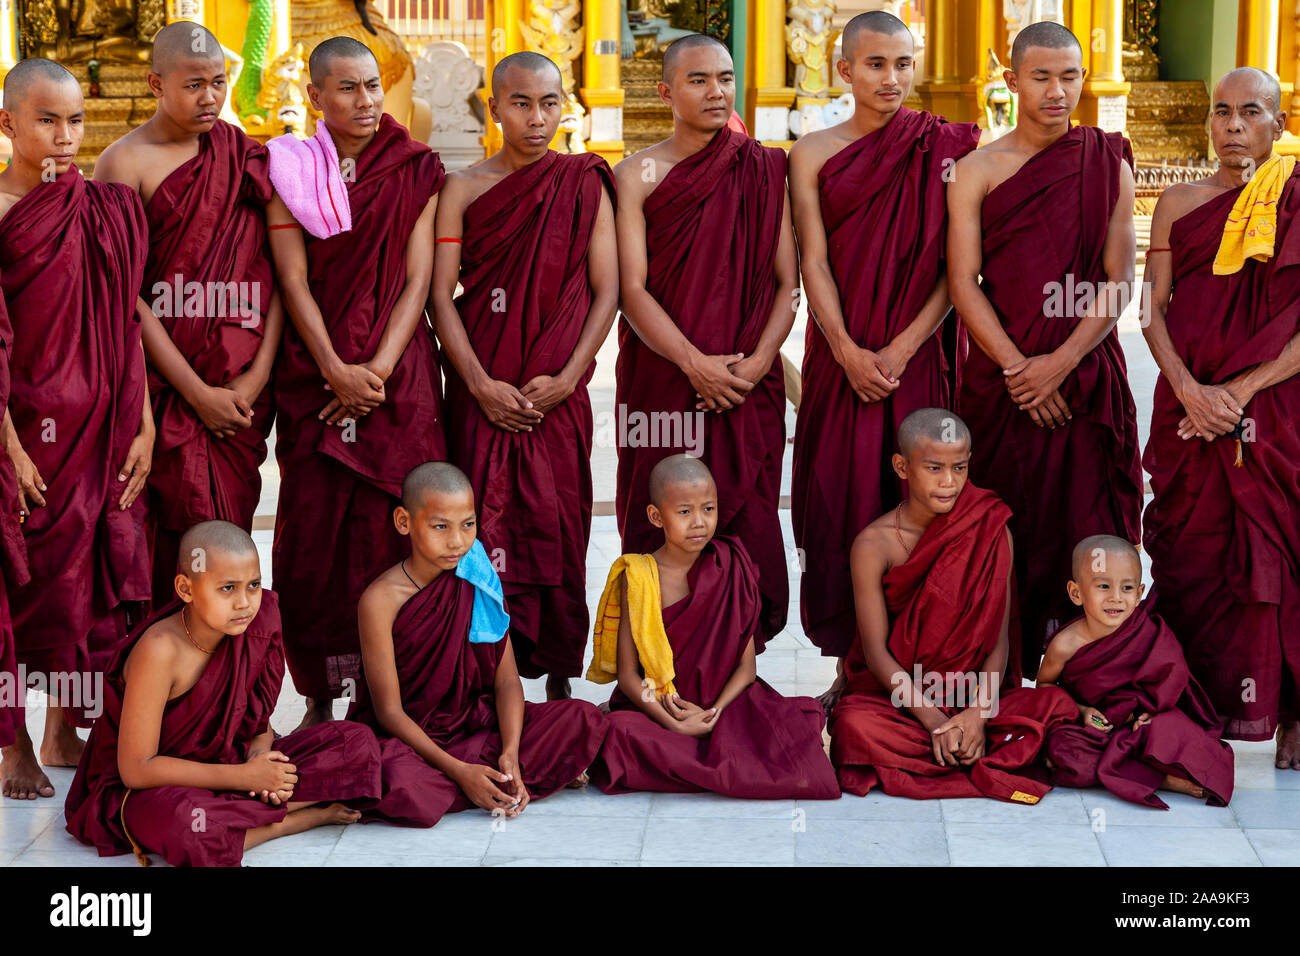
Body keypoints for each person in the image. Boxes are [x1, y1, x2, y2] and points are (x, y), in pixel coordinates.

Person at [788, 10, 980, 704]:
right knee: (839, 497)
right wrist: (844, 348)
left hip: (918, 356)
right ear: (844, 70)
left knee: (923, 499)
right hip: (841, 360)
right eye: (875, 65)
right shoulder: (811, 153)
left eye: (903, 64)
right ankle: (854, 666)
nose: (892, 79)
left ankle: (921, 663)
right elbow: (814, 259)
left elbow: (955, 271)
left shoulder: (946, 148)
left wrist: (899, 348)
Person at [946, 21, 1142, 676]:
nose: (1058, 91)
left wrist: (1059, 363)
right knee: (1005, 526)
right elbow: (961, 282)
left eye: (1070, 77)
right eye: (1042, 77)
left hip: (1085, 381)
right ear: (1011, 81)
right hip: (1002, 387)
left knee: (1089, 524)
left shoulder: (1106, 161)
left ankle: (1088, 675)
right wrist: (1017, 369)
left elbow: (1120, 281)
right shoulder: (975, 170)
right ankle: (998, 676)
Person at [268, 37, 445, 729]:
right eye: (347, 88)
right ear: (316, 96)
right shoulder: (290, 165)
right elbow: (292, 277)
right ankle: (320, 693)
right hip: (315, 381)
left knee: (389, 531)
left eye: (373, 86)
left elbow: (418, 277)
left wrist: (376, 366)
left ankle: (388, 693)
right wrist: (334, 368)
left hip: (397, 384)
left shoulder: (416, 166)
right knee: (312, 538)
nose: (366, 101)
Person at [431, 52, 618, 701]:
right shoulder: (462, 187)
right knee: (479, 529)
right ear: (494, 108)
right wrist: (479, 384)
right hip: (482, 391)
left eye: (549, 103)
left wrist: (570, 377)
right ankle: (482, 676)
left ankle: (560, 678)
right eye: (521, 104)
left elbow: (607, 290)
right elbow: (438, 296)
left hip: (555, 397)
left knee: (560, 526)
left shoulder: (585, 181)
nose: (537, 119)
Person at [614, 33, 799, 649]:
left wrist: (758, 361)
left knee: (743, 517)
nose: (716, 91)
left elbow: (786, 284)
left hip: (748, 379)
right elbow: (632, 290)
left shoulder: (768, 169)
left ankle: (738, 668)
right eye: (698, 80)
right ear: (667, 91)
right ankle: (655, 666)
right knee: (660, 512)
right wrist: (695, 365)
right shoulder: (636, 175)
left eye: (724, 78)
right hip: (666, 379)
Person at [0, 59, 153, 800]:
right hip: (23, 427)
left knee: (82, 584)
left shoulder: (105, 208)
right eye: (47, 121)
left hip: (100, 422)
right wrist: (8, 444)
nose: (65, 137)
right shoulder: (0, 210)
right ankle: (15, 744)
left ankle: (64, 723)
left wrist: (145, 419)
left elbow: (125, 318)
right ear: (9, 126)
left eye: (76, 121)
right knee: (19, 583)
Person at [1141, 66, 1300, 767]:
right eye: (1223, 112)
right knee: (1190, 552)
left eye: (1252, 112)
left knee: (1277, 552)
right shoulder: (1178, 202)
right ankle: (1191, 703)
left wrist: (1239, 392)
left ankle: (1292, 709)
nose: (1234, 125)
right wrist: (1188, 390)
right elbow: (1151, 310)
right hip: (1188, 409)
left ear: (1279, 123)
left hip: (1272, 413)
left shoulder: (1294, 201)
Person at [64, 521, 383, 866]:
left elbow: (256, 721)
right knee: (189, 826)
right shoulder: (159, 651)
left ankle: (244, 812)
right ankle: (291, 820)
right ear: (186, 588)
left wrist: (259, 760)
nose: (244, 602)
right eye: (227, 588)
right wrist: (243, 778)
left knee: (357, 744)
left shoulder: (261, 621)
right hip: (157, 788)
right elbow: (137, 770)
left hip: (231, 765)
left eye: (254, 585)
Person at [94, 22, 284, 604]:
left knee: (230, 549)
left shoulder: (245, 155)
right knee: (164, 548)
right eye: (194, 84)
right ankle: (159, 678)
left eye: (220, 83)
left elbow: (277, 278)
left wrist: (254, 378)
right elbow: (123, 295)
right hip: (164, 390)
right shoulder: (123, 163)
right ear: (156, 83)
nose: (210, 97)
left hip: (242, 392)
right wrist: (197, 392)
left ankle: (222, 685)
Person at [829, 408, 1077, 802]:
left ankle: (964, 742)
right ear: (902, 466)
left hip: (973, 694)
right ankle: (970, 750)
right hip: (904, 700)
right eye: (934, 468)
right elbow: (876, 655)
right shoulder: (873, 544)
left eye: (959, 468)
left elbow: (997, 643)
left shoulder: (990, 526)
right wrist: (934, 721)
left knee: (1057, 705)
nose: (949, 483)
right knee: (853, 727)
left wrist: (976, 715)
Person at [349, 462, 608, 827]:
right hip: (411, 740)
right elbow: (389, 713)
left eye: (467, 524)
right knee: (398, 780)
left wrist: (511, 753)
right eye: (440, 526)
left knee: (581, 717)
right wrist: (460, 771)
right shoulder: (380, 600)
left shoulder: (477, 575)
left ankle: (498, 777)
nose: (457, 541)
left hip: (474, 726)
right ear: (404, 522)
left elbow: (505, 681)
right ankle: (484, 784)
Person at [589, 455, 840, 799]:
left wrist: (713, 714)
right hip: (663, 707)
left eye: (708, 508)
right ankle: (706, 753)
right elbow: (630, 677)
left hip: (727, 704)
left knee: (785, 732)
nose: (699, 522)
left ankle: (698, 754)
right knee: (617, 734)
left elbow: (747, 668)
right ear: (655, 516)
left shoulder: (730, 565)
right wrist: (675, 722)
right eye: (684, 512)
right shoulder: (638, 576)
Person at [1037, 535, 1234, 807]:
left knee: (1178, 734)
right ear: (1076, 593)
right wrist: (1081, 711)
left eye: (1127, 588)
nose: (1116, 598)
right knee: (1063, 749)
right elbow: (1045, 687)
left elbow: (1172, 680)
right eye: (1103, 586)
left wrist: (1151, 711)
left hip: (1142, 722)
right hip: (1094, 727)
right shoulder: (1065, 644)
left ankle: (1133, 768)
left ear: (1140, 593)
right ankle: (1162, 779)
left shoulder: (1148, 630)